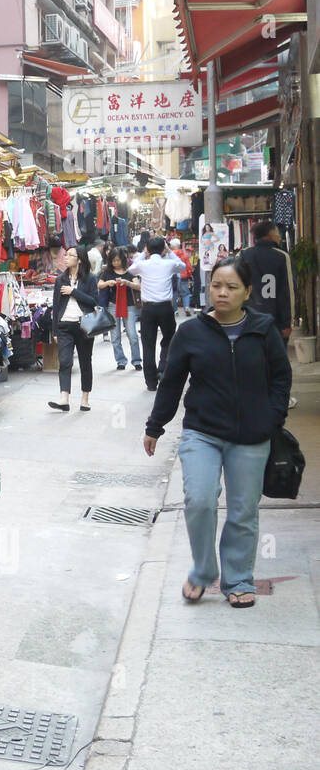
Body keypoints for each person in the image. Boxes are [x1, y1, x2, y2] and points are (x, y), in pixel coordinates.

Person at [144, 256, 291, 609]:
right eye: (216, 286)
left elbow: (281, 377)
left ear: (247, 292)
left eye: (231, 287)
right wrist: (155, 425)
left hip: (251, 437)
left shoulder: (262, 328)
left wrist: (272, 417)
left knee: (242, 511)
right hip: (203, 433)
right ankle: (202, 570)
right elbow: (172, 381)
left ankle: (239, 578)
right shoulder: (191, 331)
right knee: (199, 500)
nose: (222, 293)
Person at [239, 219, 297, 408]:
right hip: (274, 319)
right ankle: (280, 398)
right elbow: (287, 291)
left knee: (251, 358)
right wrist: (289, 322)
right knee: (278, 362)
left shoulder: (243, 255)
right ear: (270, 235)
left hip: (246, 317)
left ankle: (254, 396)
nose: (279, 237)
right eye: (277, 233)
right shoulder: (281, 256)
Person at [129, 237, 187, 391]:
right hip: (165, 308)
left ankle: (151, 382)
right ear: (163, 249)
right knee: (168, 339)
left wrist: (143, 253)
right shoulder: (169, 263)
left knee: (148, 345)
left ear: (147, 249)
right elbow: (182, 266)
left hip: (148, 309)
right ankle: (162, 368)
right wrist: (169, 251)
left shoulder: (143, 264)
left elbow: (131, 269)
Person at [48, 245, 99, 412]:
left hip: (84, 325)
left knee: (85, 362)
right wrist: (55, 330)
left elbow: (94, 301)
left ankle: (85, 398)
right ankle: (64, 398)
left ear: (79, 259)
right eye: (66, 254)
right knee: (64, 362)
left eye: (71, 255)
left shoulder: (90, 279)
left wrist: (73, 292)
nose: (66, 257)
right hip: (64, 325)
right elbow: (56, 307)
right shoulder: (60, 280)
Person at [98, 248, 142, 371]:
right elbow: (99, 284)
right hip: (113, 305)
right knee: (115, 336)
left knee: (132, 334)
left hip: (129, 306)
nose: (116, 263)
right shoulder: (107, 272)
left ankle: (136, 360)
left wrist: (127, 282)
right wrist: (108, 283)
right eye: (113, 261)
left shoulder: (130, 272)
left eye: (118, 260)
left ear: (123, 260)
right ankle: (121, 361)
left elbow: (138, 285)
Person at [169, 237, 193, 317]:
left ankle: (175, 310)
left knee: (174, 294)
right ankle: (186, 307)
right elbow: (189, 267)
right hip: (183, 276)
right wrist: (189, 275)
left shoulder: (169, 255)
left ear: (171, 246)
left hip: (173, 277)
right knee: (185, 293)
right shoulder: (184, 255)